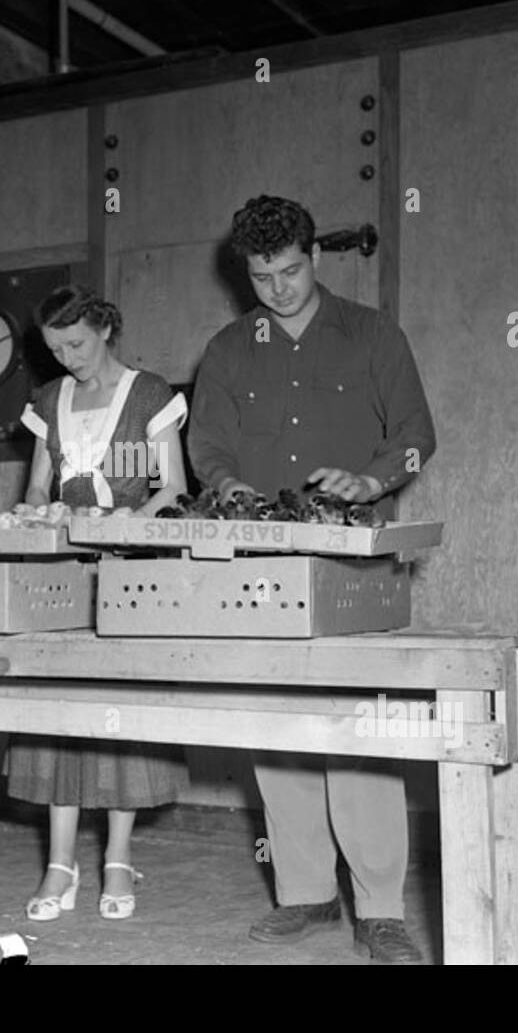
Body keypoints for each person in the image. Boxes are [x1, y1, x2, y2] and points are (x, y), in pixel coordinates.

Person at [188, 195, 437, 963]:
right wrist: (226, 485)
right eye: (261, 276)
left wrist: (369, 481)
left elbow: (416, 437)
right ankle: (304, 893)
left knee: (360, 726)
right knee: (278, 725)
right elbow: (208, 446)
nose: (278, 289)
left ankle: (381, 906)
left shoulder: (372, 334)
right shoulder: (229, 348)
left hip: (352, 559)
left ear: (315, 257)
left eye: (291, 271)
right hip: (264, 565)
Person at [6, 285, 189, 921]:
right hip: (61, 578)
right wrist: (33, 523)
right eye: (55, 348)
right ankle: (60, 865)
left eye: (77, 343)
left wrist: (127, 525)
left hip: (130, 577)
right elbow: (34, 487)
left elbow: (175, 489)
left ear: (105, 328)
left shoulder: (150, 394)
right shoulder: (48, 399)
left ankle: (117, 856)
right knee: (57, 716)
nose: (68, 357)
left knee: (118, 717)